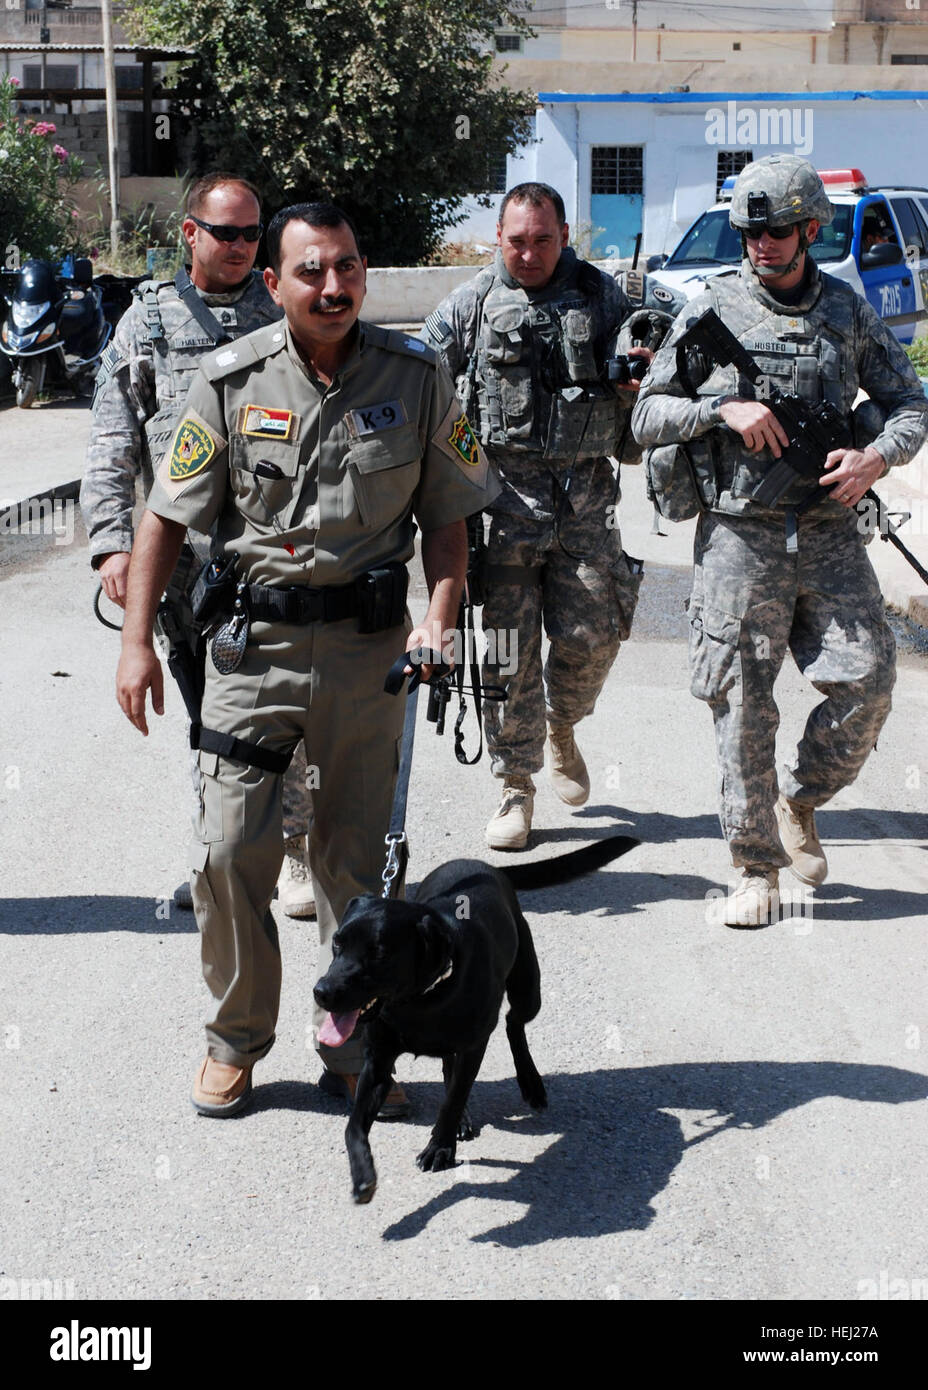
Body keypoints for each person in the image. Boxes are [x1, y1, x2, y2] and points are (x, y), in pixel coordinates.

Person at [114, 201, 500, 1117]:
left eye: (348, 268)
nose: (334, 287)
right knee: (227, 852)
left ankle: (355, 1047)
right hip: (256, 652)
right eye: (312, 272)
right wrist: (136, 643)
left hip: (372, 655)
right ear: (275, 283)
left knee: (355, 867)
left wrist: (437, 620)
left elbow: (449, 519)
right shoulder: (230, 382)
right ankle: (236, 1039)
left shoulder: (418, 377)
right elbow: (166, 517)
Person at [632, 155, 928, 926]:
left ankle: (801, 798)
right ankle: (752, 866)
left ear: (809, 230)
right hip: (740, 538)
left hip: (829, 534)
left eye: (776, 230)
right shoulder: (710, 312)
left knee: (869, 682)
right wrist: (717, 413)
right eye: (750, 230)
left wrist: (876, 458)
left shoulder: (847, 312)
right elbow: (645, 417)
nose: (762, 242)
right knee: (740, 705)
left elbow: (909, 405)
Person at [81, 172, 316, 919]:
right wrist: (112, 546)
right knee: (211, 727)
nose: (243, 245)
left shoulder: (288, 312)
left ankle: (301, 856)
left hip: (271, 558)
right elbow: (113, 438)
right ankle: (225, 863)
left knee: (287, 719)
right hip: (182, 572)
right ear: (191, 234)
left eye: (254, 232)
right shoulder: (145, 323)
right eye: (227, 233)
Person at [421, 182, 660, 850]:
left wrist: (639, 375)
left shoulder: (605, 296)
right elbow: (417, 381)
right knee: (504, 658)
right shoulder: (469, 304)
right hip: (499, 512)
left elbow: (661, 362)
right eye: (517, 241)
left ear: (565, 237)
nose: (529, 254)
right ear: (499, 237)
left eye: (543, 240)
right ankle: (515, 787)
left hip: (585, 505)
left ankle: (563, 725)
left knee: (595, 635)